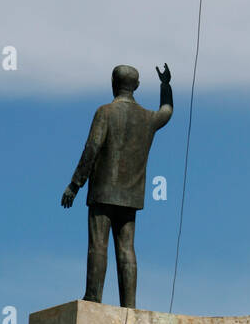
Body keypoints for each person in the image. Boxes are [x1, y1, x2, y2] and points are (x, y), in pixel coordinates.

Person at [61, 63, 173, 309]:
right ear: (138, 86)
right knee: (127, 248)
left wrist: (75, 184)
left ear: (113, 84)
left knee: (98, 245)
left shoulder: (105, 112)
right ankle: (129, 305)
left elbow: (91, 149)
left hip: (103, 191)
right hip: (131, 194)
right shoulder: (147, 118)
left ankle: (93, 297)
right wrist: (165, 86)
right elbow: (166, 111)